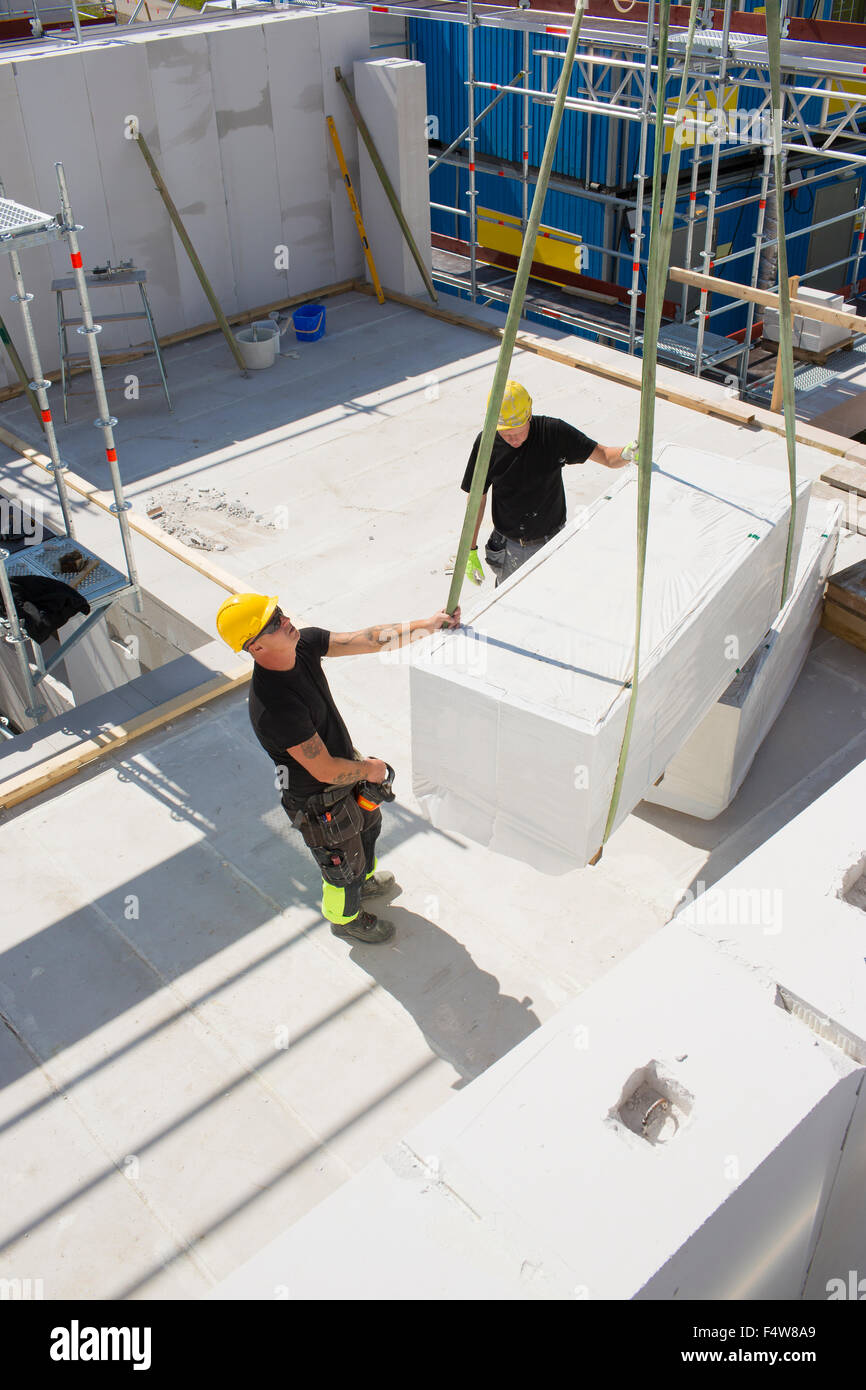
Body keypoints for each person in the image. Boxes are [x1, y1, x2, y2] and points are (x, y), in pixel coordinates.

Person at [216, 594, 460, 945]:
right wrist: (369, 769)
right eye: (273, 623)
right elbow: (326, 770)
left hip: (348, 772)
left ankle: (366, 883)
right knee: (342, 867)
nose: (286, 621)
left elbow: (369, 639)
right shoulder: (275, 707)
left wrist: (428, 625)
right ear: (255, 646)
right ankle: (346, 919)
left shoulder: (303, 644)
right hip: (319, 801)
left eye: (279, 612)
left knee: (368, 830)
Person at [461, 379, 635, 586]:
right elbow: (476, 500)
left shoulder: (553, 433)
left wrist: (627, 454)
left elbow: (605, 456)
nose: (513, 439)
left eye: (518, 432)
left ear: (529, 415)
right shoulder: (486, 444)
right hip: (510, 547)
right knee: (512, 600)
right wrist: (469, 550)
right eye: (506, 434)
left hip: (552, 541)